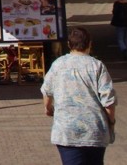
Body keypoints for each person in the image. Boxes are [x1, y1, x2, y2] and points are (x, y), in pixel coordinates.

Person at [40, 27, 117, 165]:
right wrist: (111, 122)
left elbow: (47, 91)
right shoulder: (97, 66)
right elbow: (108, 100)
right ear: (89, 44)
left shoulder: (58, 65)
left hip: (67, 130)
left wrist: (48, 108)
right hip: (94, 130)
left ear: (69, 45)